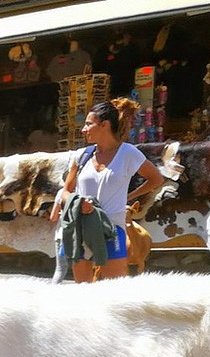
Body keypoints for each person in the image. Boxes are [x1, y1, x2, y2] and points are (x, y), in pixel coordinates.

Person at [49, 99, 165, 282]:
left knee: (116, 292)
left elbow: (156, 179)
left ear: (104, 125)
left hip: (111, 229)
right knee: (83, 291)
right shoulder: (82, 156)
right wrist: (78, 203)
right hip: (80, 229)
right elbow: (65, 191)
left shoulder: (128, 153)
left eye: (88, 124)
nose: (83, 129)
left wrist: (129, 196)